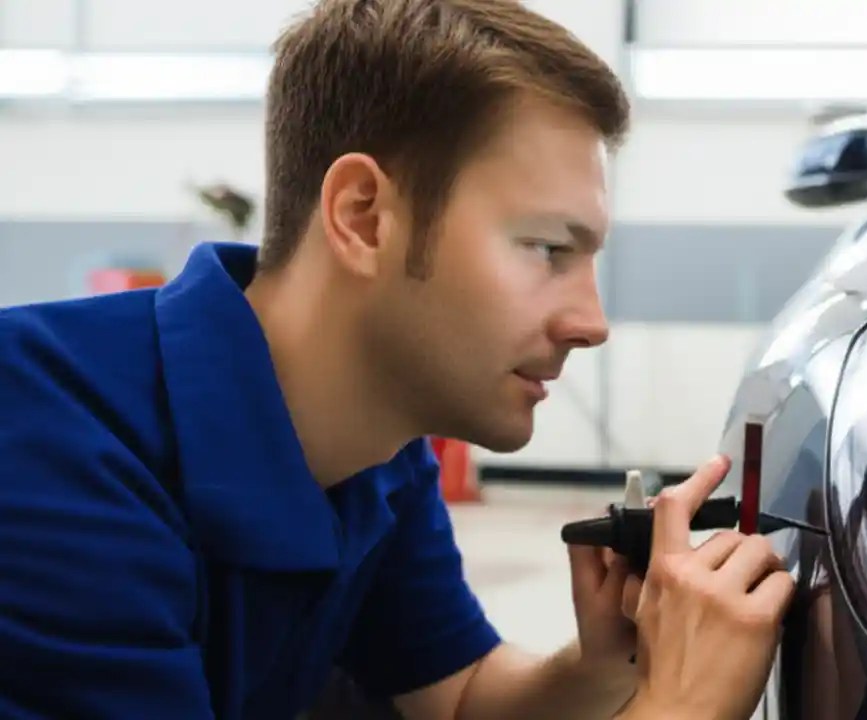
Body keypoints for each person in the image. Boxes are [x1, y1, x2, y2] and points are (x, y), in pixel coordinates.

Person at [0, 0, 796, 718]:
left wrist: (606, 664)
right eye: (546, 248)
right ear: (364, 217)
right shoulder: (49, 443)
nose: (591, 323)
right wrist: (683, 704)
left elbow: (459, 694)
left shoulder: (375, 452)